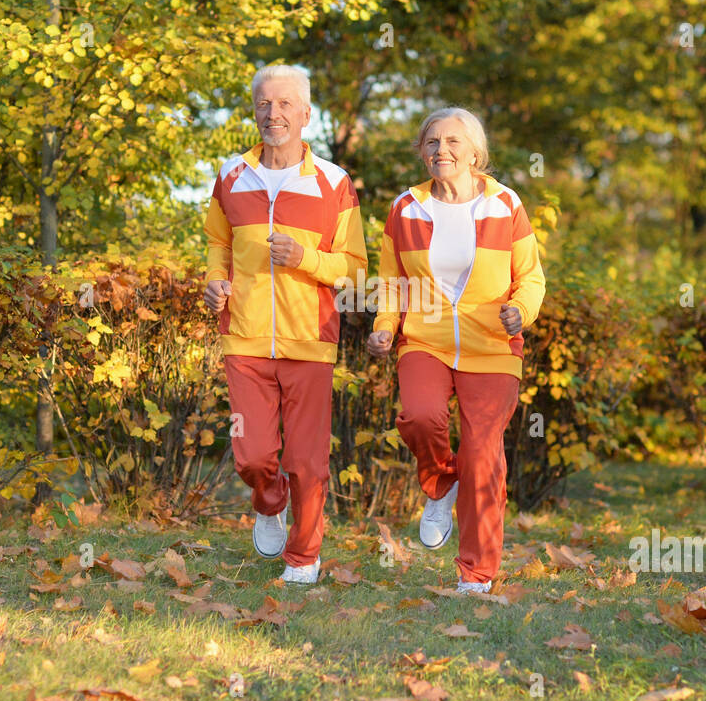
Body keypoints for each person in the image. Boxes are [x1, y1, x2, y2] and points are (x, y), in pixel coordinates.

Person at [368, 108, 546, 593]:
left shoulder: (505, 203)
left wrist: (521, 310)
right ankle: (440, 484)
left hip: (492, 346)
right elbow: (391, 281)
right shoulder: (405, 208)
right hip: (424, 339)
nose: (440, 151)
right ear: (421, 151)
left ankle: (477, 572)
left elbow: (530, 275)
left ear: (474, 152)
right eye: (431, 142)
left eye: (452, 142)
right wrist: (385, 326)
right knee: (421, 417)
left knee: (484, 455)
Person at [204, 65, 368, 584]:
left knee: (307, 459)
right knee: (252, 455)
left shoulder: (334, 183)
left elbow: (356, 268)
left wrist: (304, 257)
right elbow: (218, 245)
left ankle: (303, 557)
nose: (273, 114)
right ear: (254, 110)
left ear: (306, 114)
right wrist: (213, 282)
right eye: (264, 105)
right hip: (245, 338)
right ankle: (268, 501)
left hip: (310, 341)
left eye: (284, 105)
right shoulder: (231, 175)